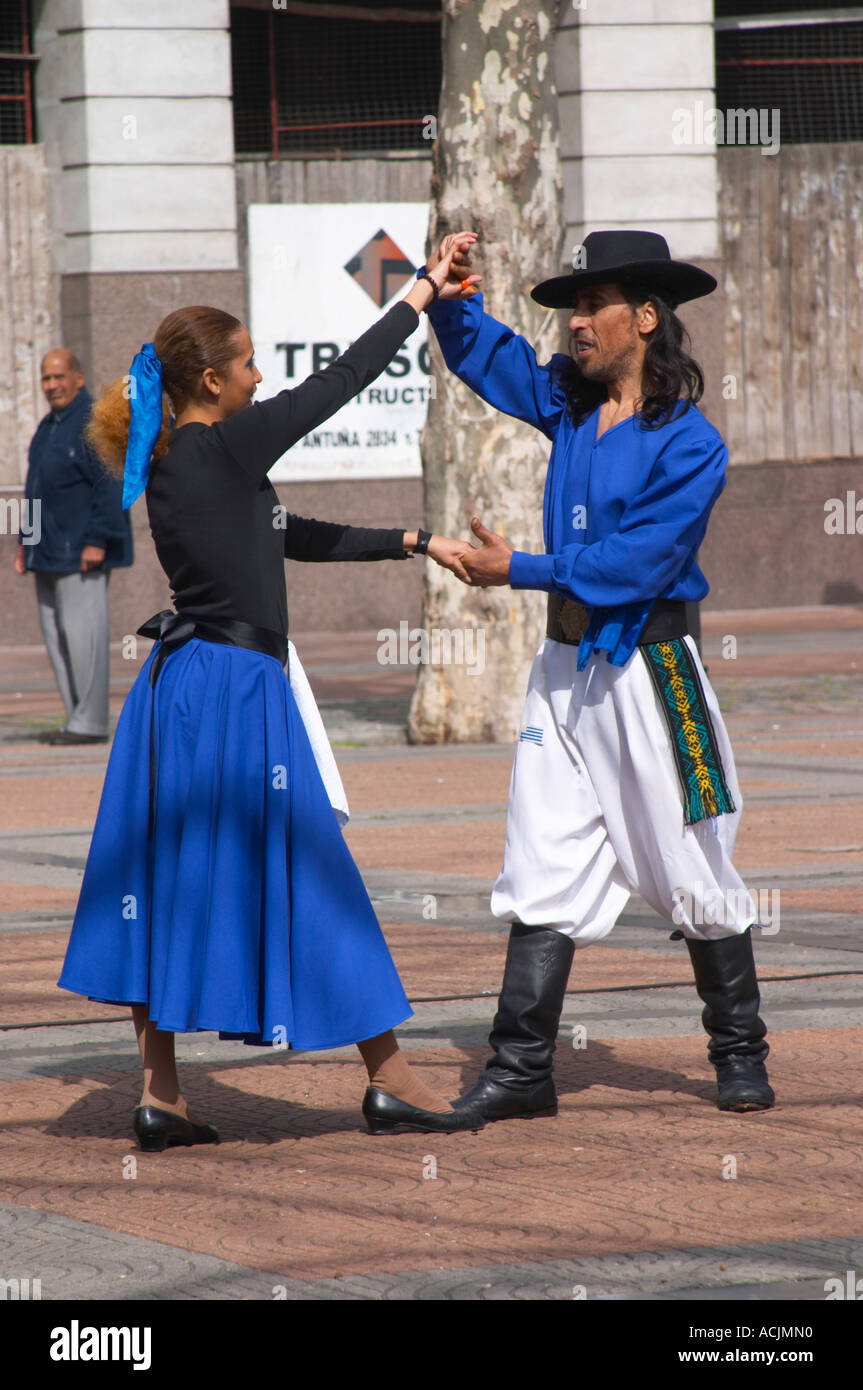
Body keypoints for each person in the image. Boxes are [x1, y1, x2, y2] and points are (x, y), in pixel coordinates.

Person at [57, 232, 486, 1148]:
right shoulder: (223, 445)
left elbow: (293, 533)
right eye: (246, 363)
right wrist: (419, 293)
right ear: (209, 381)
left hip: (185, 688)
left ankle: (161, 1093)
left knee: (165, 882)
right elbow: (339, 382)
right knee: (316, 874)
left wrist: (416, 543)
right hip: (236, 691)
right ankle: (391, 1079)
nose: (257, 376)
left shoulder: (185, 463)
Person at [422, 229, 775, 1121]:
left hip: (651, 671)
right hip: (563, 668)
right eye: (572, 308)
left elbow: (632, 564)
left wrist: (522, 570)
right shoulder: (567, 406)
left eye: (591, 306)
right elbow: (487, 359)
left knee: (691, 866)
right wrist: (453, 295)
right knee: (539, 858)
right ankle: (520, 1072)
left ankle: (739, 1053)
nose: (575, 323)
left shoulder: (690, 445)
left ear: (644, 318)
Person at [14, 349, 133, 744]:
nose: (52, 386)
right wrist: (24, 543)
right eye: (46, 379)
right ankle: (75, 719)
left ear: (78, 378)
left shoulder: (92, 422)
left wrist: (97, 540)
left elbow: (111, 483)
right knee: (59, 641)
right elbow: (34, 489)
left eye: (59, 377)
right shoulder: (48, 427)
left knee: (85, 640)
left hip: (81, 553)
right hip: (45, 554)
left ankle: (92, 722)